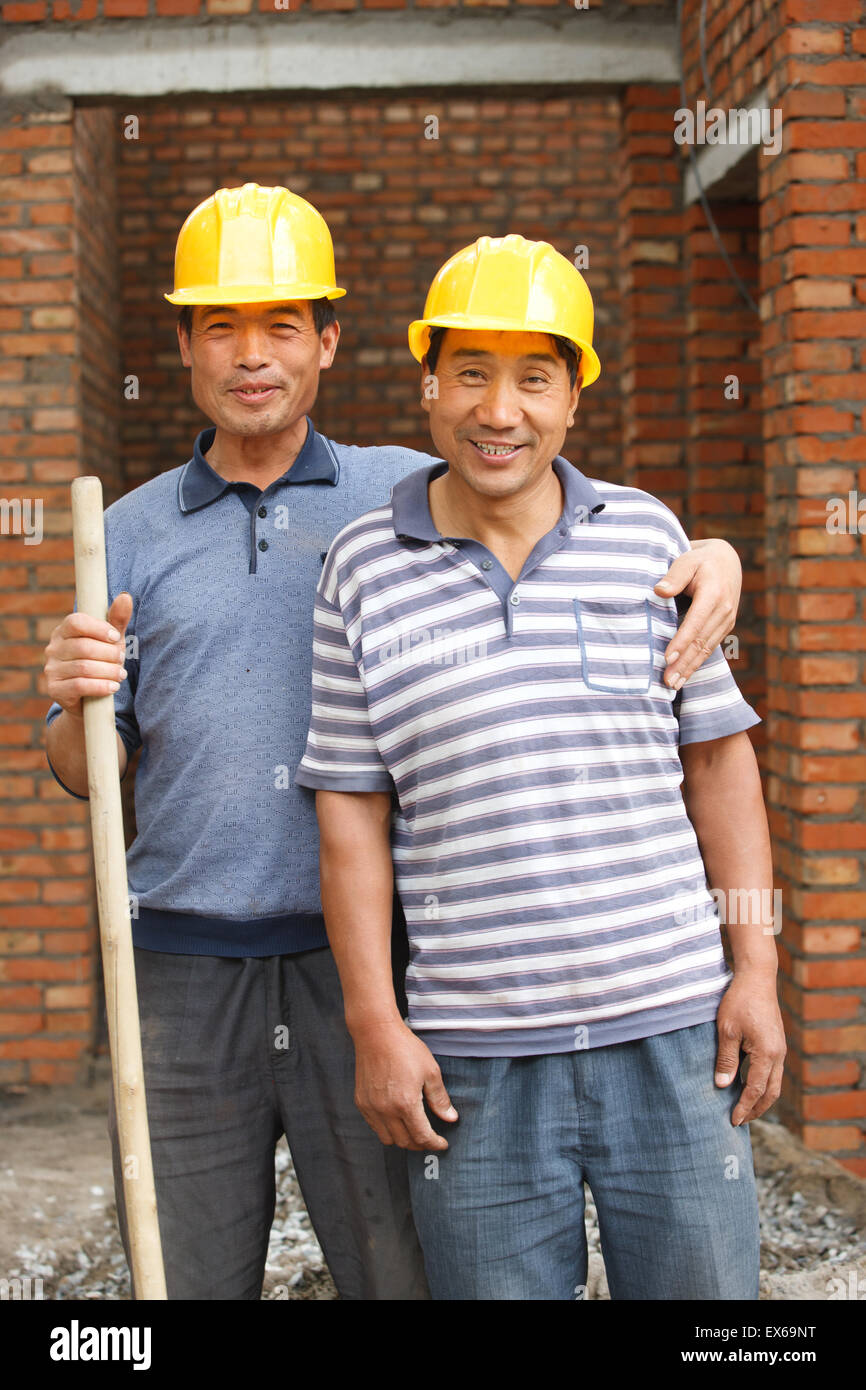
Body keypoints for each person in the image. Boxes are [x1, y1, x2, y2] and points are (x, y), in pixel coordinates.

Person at [42, 186, 744, 1300]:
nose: (252, 355)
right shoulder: (123, 532)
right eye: (220, 327)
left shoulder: (395, 493)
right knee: (180, 1276)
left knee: (396, 1272)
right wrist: (75, 699)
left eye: (281, 326)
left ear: (327, 342)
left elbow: (546, 498)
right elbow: (87, 775)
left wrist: (712, 550)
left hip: (363, 963)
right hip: (181, 963)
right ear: (181, 347)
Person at [295, 234, 785, 1301]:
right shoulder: (361, 570)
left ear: (571, 399)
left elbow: (719, 768)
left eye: (531, 378)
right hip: (470, 1056)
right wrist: (374, 1022)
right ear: (428, 387)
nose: (498, 409)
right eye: (470, 372)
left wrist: (754, 968)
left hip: (672, 1031)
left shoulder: (648, 542)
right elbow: (347, 816)